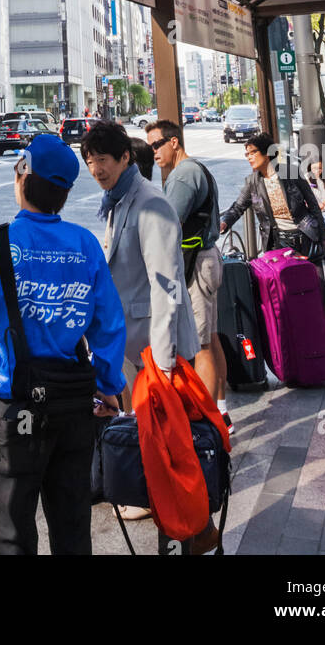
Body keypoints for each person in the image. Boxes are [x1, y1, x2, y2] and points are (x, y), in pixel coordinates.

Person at [0, 133, 126, 556]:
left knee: (11, 530)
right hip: (75, 406)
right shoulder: (83, 244)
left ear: (22, 177)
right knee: (72, 522)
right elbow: (109, 325)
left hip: (16, 414)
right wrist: (108, 383)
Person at [81, 120, 200, 528]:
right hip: (134, 343)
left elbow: (167, 287)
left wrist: (164, 363)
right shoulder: (119, 199)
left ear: (126, 158)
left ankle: (158, 499)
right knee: (145, 424)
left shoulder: (149, 203)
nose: (96, 169)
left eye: (103, 160)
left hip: (155, 343)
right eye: (90, 161)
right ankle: (153, 493)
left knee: (159, 427)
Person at [220, 133, 325, 370]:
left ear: (266, 153)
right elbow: (237, 207)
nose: (248, 157)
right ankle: (298, 354)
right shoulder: (252, 182)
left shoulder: (289, 171)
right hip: (277, 246)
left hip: (305, 239)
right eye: (246, 153)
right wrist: (223, 223)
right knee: (285, 301)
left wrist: (322, 238)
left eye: (252, 153)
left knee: (319, 296)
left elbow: (312, 204)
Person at [146, 120, 228, 418]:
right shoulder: (197, 168)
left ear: (174, 142)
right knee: (212, 337)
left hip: (197, 264)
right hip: (208, 258)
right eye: (150, 146)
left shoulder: (182, 176)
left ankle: (205, 419)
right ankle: (220, 409)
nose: (153, 151)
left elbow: (169, 226)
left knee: (201, 345)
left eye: (157, 144)